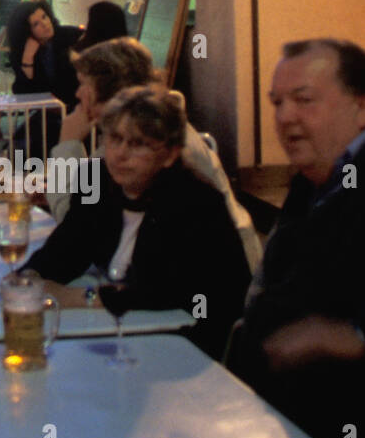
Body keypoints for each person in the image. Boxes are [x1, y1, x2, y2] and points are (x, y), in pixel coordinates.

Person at [24, 85, 251, 358]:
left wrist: (79, 297)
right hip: (116, 332)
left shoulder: (196, 201)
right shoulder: (96, 178)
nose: (120, 154)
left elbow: (168, 291)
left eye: (137, 144)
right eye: (114, 138)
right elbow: (66, 248)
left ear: (170, 154)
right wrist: (29, 278)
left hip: (186, 345)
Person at [229, 39, 365, 438]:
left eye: (303, 100)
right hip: (280, 426)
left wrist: (346, 337)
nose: (285, 116)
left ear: (360, 106)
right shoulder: (312, 183)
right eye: (277, 103)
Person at [48, 36, 261, 271]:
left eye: (83, 83)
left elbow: (72, 223)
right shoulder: (135, 132)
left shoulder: (157, 141)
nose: (78, 94)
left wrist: (66, 144)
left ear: (110, 91)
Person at [5, 0, 81, 157]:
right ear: (27, 32)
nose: (45, 24)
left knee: (39, 141)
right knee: (19, 146)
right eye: (36, 24)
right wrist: (28, 58)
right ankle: (27, 180)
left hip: (75, 108)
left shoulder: (68, 37)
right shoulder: (23, 51)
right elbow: (22, 92)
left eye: (44, 17)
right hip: (47, 113)